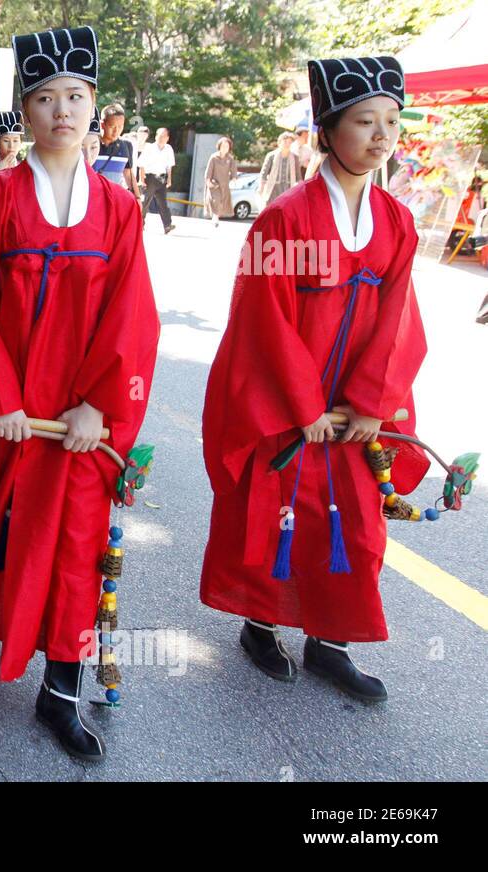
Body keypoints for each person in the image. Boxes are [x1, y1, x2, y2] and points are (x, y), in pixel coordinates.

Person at [0, 26, 159, 762]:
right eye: (45, 98)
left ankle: (61, 692)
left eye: (76, 97)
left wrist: (100, 408)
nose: (62, 110)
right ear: (25, 111)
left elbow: (130, 317)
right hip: (6, 418)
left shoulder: (118, 212)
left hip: (77, 429)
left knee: (76, 555)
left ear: (96, 110)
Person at [201, 55, 425, 704]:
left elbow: (399, 321)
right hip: (290, 413)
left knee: (354, 527)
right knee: (280, 519)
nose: (382, 136)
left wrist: (372, 404)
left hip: (356, 415)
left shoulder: (396, 222)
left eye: (392, 122)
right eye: (364, 122)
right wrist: (302, 406)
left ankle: (332, 642)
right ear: (327, 131)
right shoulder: (286, 219)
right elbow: (261, 323)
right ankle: (261, 626)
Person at [92, 104, 140, 204]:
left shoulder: (126, 146)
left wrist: (137, 198)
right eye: (112, 126)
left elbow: (128, 174)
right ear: (102, 124)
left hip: (115, 201)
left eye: (120, 126)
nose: (116, 131)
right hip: (92, 201)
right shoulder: (90, 145)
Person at [137, 126, 175, 233]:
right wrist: (141, 179)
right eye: (159, 135)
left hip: (162, 177)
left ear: (167, 138)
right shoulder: (150, 148)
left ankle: (167, 225)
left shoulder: (169, 149)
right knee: (145, 201)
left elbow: (169, 166)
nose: (161, 138)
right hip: (149, 177)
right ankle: (140, 223)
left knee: (162, 202)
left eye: (163, 136)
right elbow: (141, 164)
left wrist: (169, 179)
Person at [259, 131, 301, 206]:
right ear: (279, 143)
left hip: (288, 188)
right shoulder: (271, 156)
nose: (287, 144)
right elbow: (264, 173)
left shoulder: (295, 157)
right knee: (271, 209)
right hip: (273, 189)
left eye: (289, 142)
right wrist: (261, 188)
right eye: (285, 142)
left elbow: (298, 176)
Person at [205, 136, 237, 228]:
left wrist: (234, 178)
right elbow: (209, 170)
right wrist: (208, 181)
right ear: (219, 146)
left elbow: (234, 169)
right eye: (223, 146)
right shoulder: (214, 157)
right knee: (216, 200)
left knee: (222, 202)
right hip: (214, 183)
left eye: (227, 146)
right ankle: (215, 217)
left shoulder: (230, 159)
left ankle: (216, 216)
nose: (225, 148)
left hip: (224, 184)